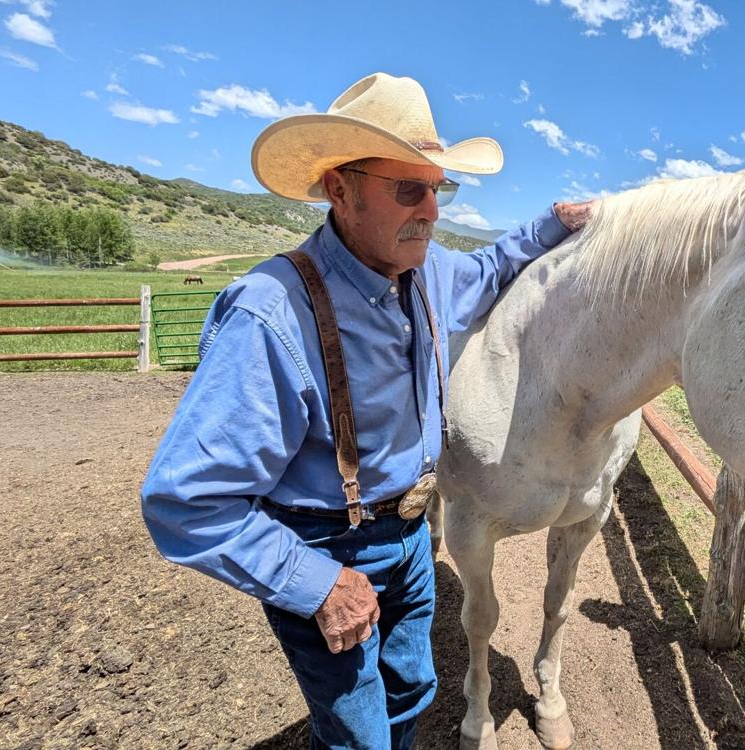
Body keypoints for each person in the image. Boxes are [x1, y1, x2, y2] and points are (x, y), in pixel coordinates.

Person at [140, 71, 592, 750]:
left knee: (411, 691)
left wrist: (552, 224)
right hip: (320, 544)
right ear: (340, 190)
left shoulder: (430, 271)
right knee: (356, 731)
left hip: (410, 537)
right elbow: (185, 499)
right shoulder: (271, 315)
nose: (433, 212)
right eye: (409, 189)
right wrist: (316, 585)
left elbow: (494, 265)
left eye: (438, 189)